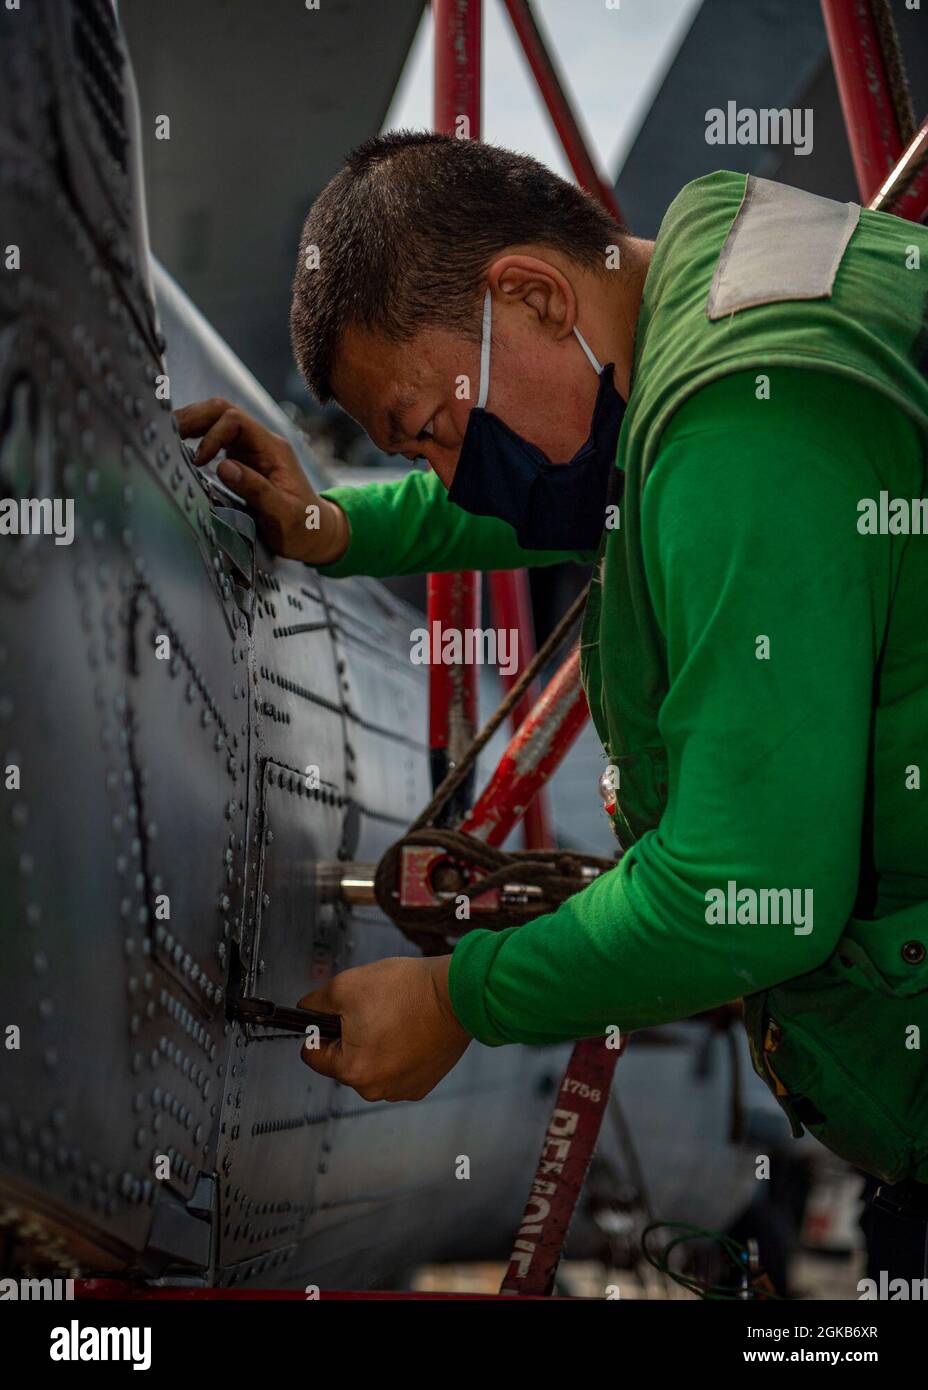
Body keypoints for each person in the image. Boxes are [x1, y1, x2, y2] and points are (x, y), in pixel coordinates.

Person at [176, 132, 928, 1272]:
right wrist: (330, 522)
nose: (446, 473)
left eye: (429, 427)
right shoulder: (724, 276)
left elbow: (750, 889)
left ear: (529, 290)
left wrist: (458, 997)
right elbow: (555, 485)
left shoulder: (744, 432)